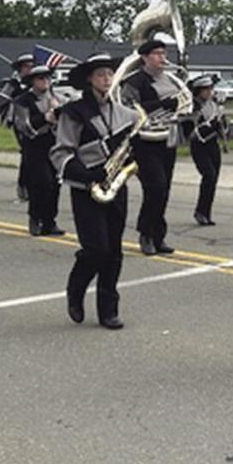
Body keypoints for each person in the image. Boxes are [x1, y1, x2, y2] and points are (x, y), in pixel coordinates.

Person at [51, 53, 141, 329]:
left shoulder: (127, 114)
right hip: (86, 187)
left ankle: (108, 309)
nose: (106, 79)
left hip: (116, 186)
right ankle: (77, 286)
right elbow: (60, 153)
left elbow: (133, 149)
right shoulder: (74, 112)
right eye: (101, 74)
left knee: (114, 250)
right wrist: (87, 174)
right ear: (90, 79)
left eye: (110, 74)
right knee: (96, 249)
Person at [121, 35, 182, 256]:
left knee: (164, 189)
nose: (162, 58)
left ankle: (158, 235)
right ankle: (145, 233)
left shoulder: (172, 80)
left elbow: (182, 102)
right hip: (145, 141)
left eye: (164, 54)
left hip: (168, 137)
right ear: (145, 58)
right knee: (154, 187)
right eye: (157, 54)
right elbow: (129, 109)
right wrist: (160, 104)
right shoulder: (134, 82)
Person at [12, 65, 65, 236]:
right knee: (42, 184)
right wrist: (45, 118)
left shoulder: (58, 98)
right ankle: (35, 218)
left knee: (56, 185)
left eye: (48, 78)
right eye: (41, 79)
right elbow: (23, 126)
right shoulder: (22, 101)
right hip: (35, 148)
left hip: (55, 147)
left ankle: (50, 221)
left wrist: (60, 113)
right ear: (33, 81)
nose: (45, 82)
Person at [183, 74, 226, 227]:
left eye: (210, 89)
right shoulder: (192, 107)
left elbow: (221, 126)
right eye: (206, 89)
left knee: (213, 179)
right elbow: (192, 134)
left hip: (213, 145)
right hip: (199, 147)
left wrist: (222, 125)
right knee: (209, 175)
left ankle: (206, 212)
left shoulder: (213, 105)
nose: (209, 92)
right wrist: (210, 125)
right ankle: (200, 212)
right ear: (198, 91)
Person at [0, 53, 35, 201]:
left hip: (36, 121)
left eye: (32, 66)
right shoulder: (13, 84)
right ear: (21, 68)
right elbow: (1, 101)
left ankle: (33, 185)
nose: (30, 69)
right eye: (27, 66)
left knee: (34, 154)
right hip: (18, 120)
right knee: (27, 152)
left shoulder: (35, 82)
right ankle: (23, 186)